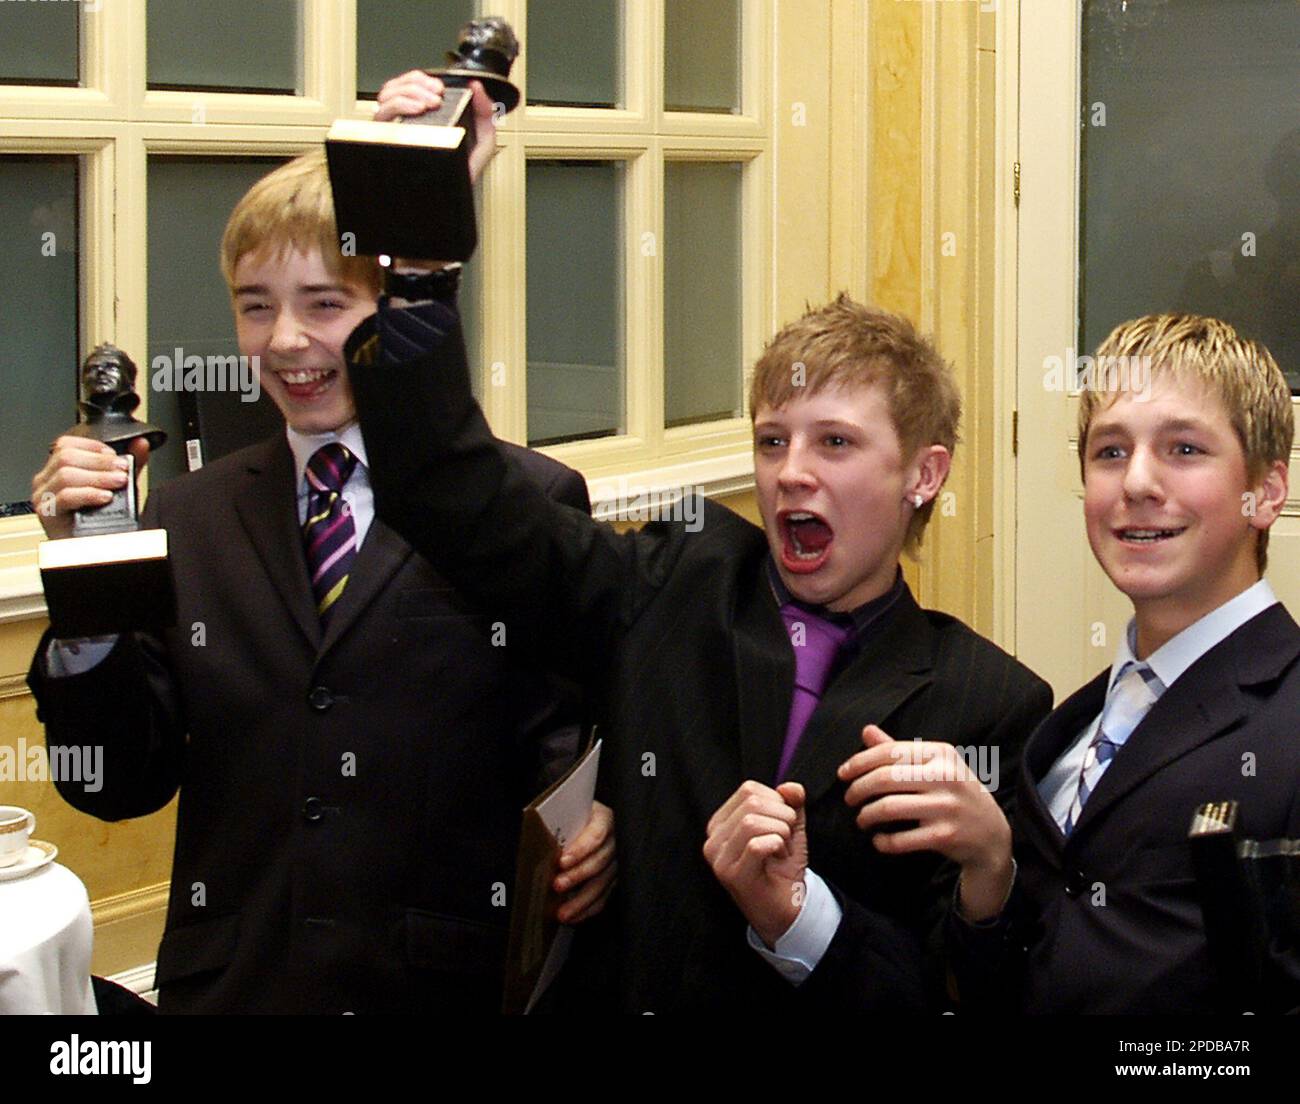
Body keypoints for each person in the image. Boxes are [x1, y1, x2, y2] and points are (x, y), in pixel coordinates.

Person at [345, 138, 1052, 1008]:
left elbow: (955, 993)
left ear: (924, 474)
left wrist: (806, 913)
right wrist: (419, 270)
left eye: (835, 442)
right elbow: (452, 497)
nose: (792, 471)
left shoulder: (987, 701)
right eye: (771, 440)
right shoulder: (677, 574)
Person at [26, 72, 615, 1015]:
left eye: (325, 304)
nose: (287, 340)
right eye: (255, 306)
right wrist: (86, 580)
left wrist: (601, 822)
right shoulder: (187, 516)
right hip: (239, 987)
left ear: (398, 306)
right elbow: (116, 785)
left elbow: (565, 744)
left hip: (438, 988)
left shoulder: (522, 503)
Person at [885, 313, 1298, 1012]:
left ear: (1266, 492)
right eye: (1109, 452)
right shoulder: (1065, 732)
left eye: (1184, 449)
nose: (1137, 481)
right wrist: (991, 871)